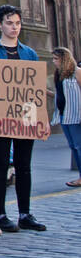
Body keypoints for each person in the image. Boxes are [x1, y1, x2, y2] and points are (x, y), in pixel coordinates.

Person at [0, 5, 46, 232]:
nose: (14, 27)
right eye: (9, 23)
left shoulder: (30, 54)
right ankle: (1, 215)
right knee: (0, 165)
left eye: (17, 23)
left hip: (26, 117)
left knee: (24, 167)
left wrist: (40, 120)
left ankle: (25, 213)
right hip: (0, 117)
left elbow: (36, 91)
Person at [54, 47, 81, 186]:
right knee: (73, 146)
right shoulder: (59, 74)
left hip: (76, 115)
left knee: (78, 146)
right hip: (64, 114)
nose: (54, 62)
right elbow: (59, 94)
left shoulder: (76, 72)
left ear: (64, 59)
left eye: (56, 59)